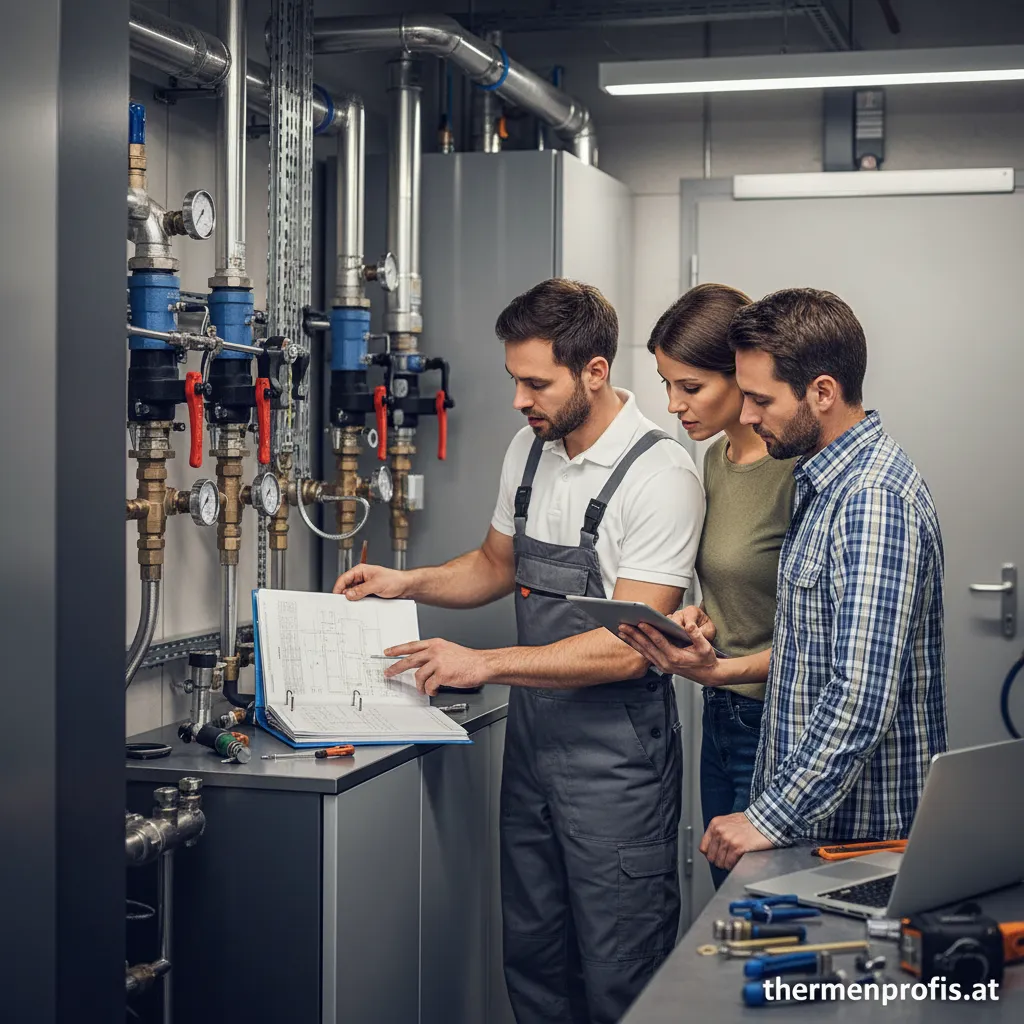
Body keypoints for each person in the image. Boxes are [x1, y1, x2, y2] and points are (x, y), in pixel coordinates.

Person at [333, 279, 705, 1024]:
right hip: (536, 749)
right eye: (515, 380)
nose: (518, 400)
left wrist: (485, 664)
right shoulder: (529, 448)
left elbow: (633, 649)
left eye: (536, 383)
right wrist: (409, 581)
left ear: (593, 373)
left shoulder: (661, 474)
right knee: (534, 960)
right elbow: (496, 564)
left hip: (617, 761)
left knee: (619, 969)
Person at [693, 287, 947, 872]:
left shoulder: (872, 501)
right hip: (814, 826)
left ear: (823, 392)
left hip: (856, 840)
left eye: (760, 399)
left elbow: (859, 700)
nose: (748, 416)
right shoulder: (820, 483)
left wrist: (766, 816)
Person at [617, 283, 796, 890]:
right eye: (666, 384)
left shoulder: (796, 470)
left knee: (765, 904)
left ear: (740, 377)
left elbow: (818, 630)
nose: (672, 405)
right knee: (729, 898)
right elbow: (742, 586)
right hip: (719, 714)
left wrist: (726, 667)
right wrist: (702, 617)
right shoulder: (713, 458)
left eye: (690, 387)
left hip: (777, 721)